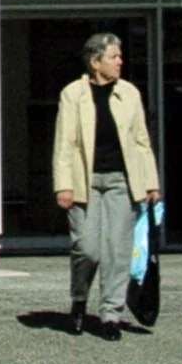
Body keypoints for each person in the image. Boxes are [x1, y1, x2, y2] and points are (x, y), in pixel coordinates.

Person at [52, 31, 160, 340]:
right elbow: (65, 144)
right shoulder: (72, 93)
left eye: (120, 56)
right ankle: (79, 299)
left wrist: (150, 181)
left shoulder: (129, 93)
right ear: (95, 61)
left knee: (118, 251)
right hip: (83, 182)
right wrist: (63, 185)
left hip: (121, 181)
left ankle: (111, 315)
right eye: (114, 57)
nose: (120, 62)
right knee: (88, 248)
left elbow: (141, 140)